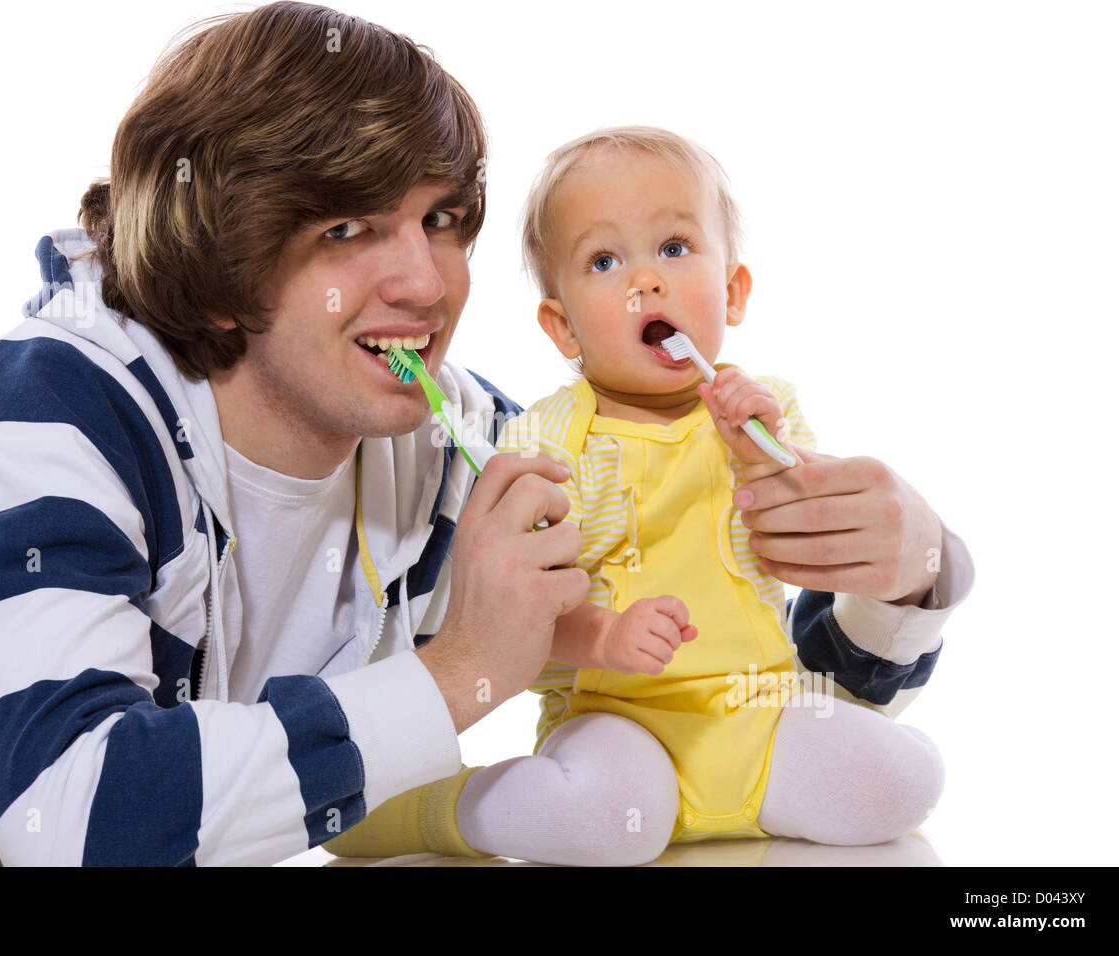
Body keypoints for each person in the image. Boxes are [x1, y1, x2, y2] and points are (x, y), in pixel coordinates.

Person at [0, 4, 968, 866]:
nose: (427, 281)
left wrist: (905, 572)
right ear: (220, 260)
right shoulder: (46, 422)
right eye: (347, 228)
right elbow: (72, 815)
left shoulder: (453, 438)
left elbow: (755, 712)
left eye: (440, 219)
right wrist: (462, 672)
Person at [322, 127, 974, 866]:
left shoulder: (767, 411)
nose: (645, 281)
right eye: (604, 261)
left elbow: (800, 558)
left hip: (760, 715)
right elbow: (517, 622)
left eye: (673, 248)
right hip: (621, 722)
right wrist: (603, 640)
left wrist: (766, 460)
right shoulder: (545, 444)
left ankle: (844, 759)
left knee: (899, 787)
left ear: (732, 292)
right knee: (601, 822)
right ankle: (430, 811)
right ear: (563, 327)